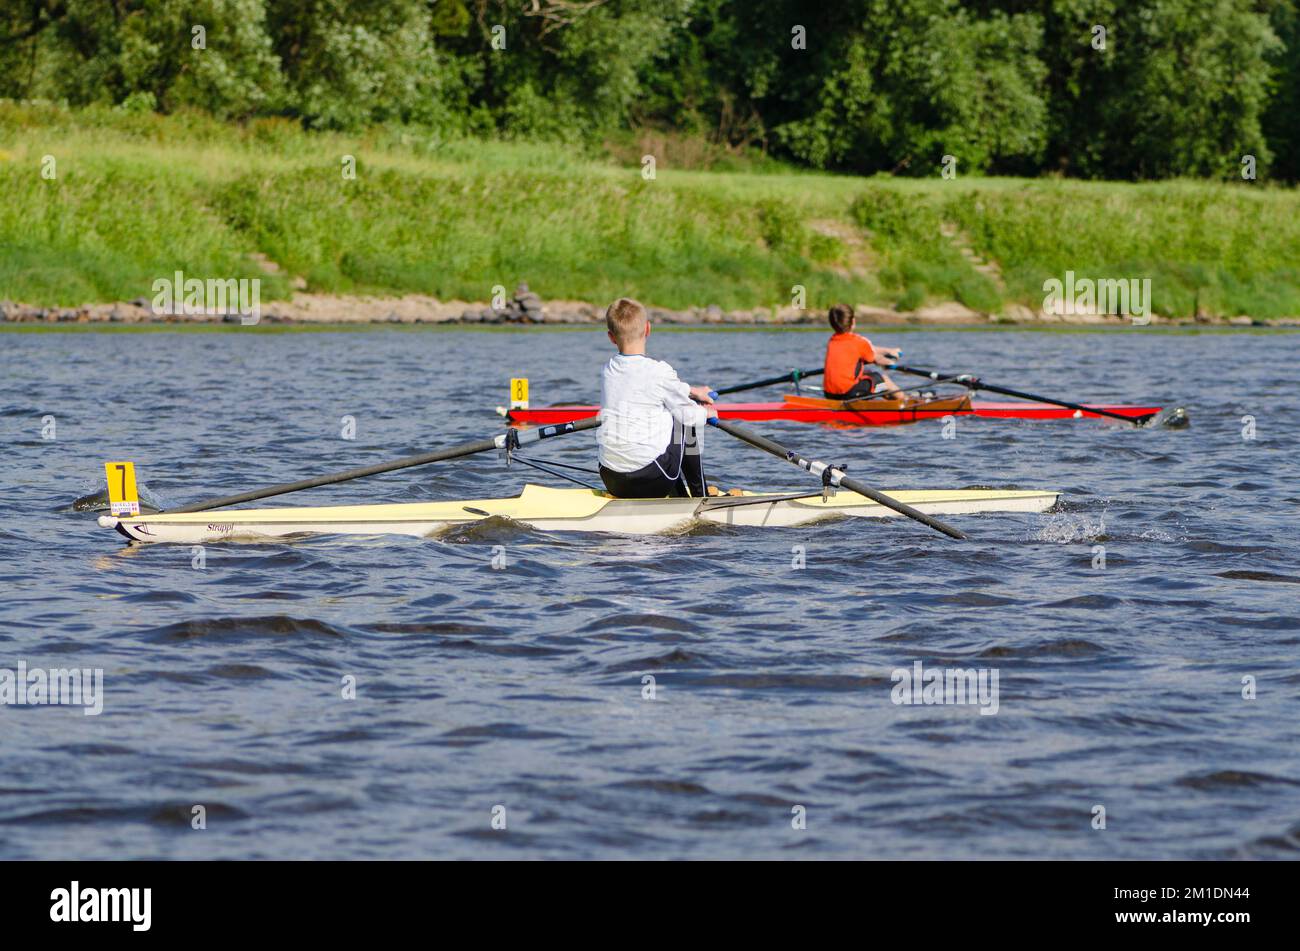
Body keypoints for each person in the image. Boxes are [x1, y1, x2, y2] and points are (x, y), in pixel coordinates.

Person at [597, 298, 717, 497]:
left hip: (611, 479)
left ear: (611, 337)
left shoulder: (607, 370)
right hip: (649, 480)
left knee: (667, 412)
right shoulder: (659, 371)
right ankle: (700, 496)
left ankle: (679, 495)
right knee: (682, 419)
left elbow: (649, 385)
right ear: (648, 329)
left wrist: (693, 391)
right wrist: (706, 412)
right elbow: (689, 416)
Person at [822, 303, 903, 400]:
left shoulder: (832, 341)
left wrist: (889, 351)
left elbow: (869, 349)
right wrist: (890, 362)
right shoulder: (859, 342)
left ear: (832, 324)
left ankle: (887, 403)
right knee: (884, 380)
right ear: (853, 321)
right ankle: (905, 401)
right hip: (849, 393)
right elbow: (877, 359)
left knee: (868, 375)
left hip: (829, 393)